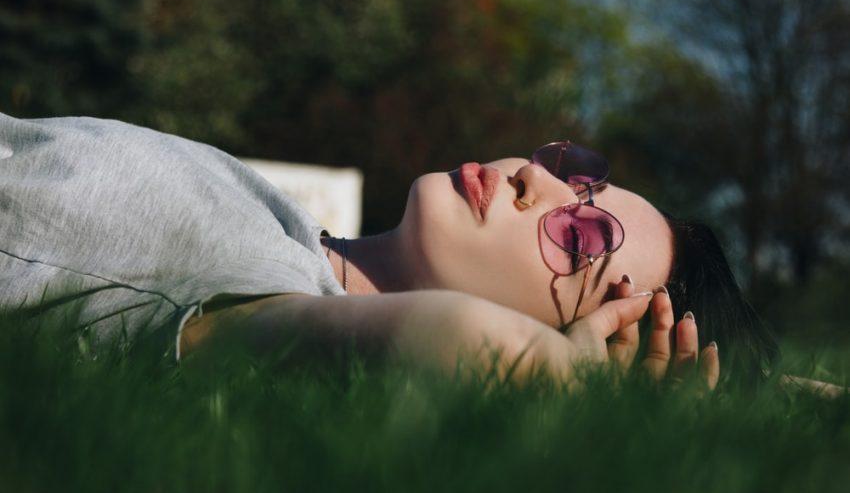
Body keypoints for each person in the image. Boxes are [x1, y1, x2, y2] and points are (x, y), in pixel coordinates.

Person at [0, 112, 776, 388]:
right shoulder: (287, 231)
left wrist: (567, 370)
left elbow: (473, 346)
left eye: (580, 238)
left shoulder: (273, 296)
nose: (529, 181)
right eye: (572, 172)